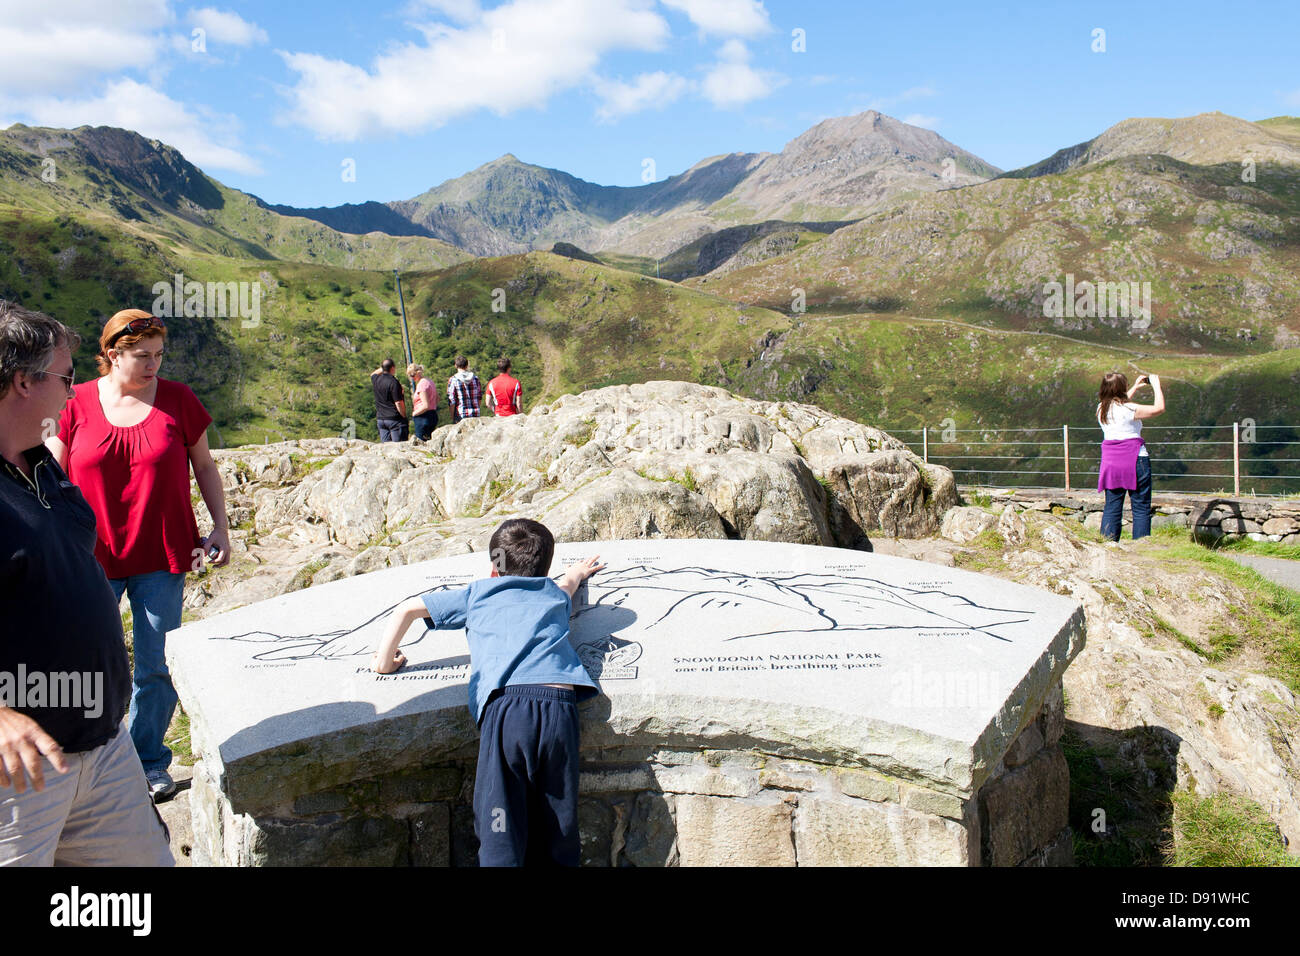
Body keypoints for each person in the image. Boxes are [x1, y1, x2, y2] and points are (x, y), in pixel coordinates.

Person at [0, 300, 173, 865]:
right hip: (20, 773)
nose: (74, 393)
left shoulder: (37, 461)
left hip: (103, 748)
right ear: (23, 382)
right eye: (66, 378)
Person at [46, 309, 230, 802]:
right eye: (141, 356)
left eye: (158, 355)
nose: (153, 365)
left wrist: (221, 527)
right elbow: (50, 475)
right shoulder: (75, 401)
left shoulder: (178, 400)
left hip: (165, 552)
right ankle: (88, 759)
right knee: (85, 661)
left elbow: (205, 466)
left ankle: (147, 761)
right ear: (111, 355)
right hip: (89, 558)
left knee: (155, 665)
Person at [371, 519, 603, 866]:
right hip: (559, 708)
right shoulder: (553, 594)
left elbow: (406, 610)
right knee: (558, 821)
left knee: (500, 822)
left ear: (494, 566)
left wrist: (384, 662)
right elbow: (569, 583)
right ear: (545, 567)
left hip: (508, 710)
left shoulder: (479, 593)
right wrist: (579, 572)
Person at [1096, 371, 1164, 542]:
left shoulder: (1101, 409)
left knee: (1112, 506)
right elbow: (1159, 408)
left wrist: (1135, 386)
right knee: (1140, 507)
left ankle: (1108, 544)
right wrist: (1156, 385)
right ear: (1122, 388)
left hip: (1111, 464)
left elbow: (1118, 402)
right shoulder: (1130, 409)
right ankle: (1141, 547)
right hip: (1135, 460)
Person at [371, 358, 408, 441]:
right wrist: (404, 416)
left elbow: (373, 374)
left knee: (386, 447)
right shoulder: (394, 382)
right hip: (394, 419)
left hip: (381, 419)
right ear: (392, 368)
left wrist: (384, 368)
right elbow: (398, 402)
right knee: (398, 447)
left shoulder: (376, 379)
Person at [447, 355, 482, 424]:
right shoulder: (475, 378)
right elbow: (479, 397)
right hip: (475, 414)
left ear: (455, 366)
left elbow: (452, 401)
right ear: (467, 365)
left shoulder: (453, 380)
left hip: (461, 414)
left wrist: (452, 417)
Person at [408, 362, 438, 440]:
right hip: (432, 415)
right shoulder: (429, 381)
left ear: (418, 373)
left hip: (423, 418)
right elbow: (437, 398)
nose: (412, 378)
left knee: (421, 442)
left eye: (412, 375)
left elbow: (425, 406)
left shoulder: (421, 385)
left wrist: (414, 414)